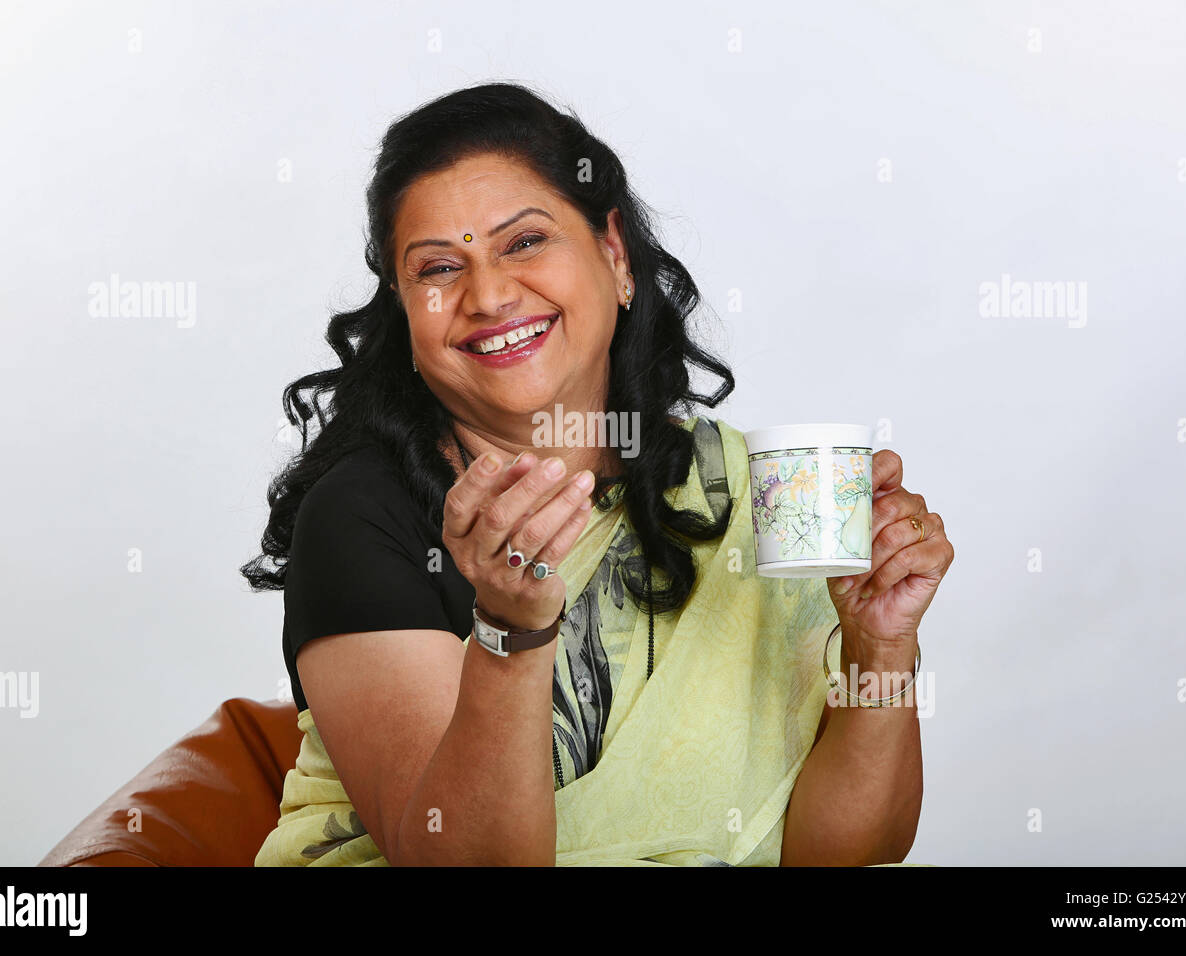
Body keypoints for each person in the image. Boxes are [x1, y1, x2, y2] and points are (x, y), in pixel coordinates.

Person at [240, 82, 954, 866]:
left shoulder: (742, 491)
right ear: (406, 310)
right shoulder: (363, 517)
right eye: (440, 268)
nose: (488, 295)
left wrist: (879, 649)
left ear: (614, 255)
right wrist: (512, 632)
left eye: (523, 242)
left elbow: (851, 852)